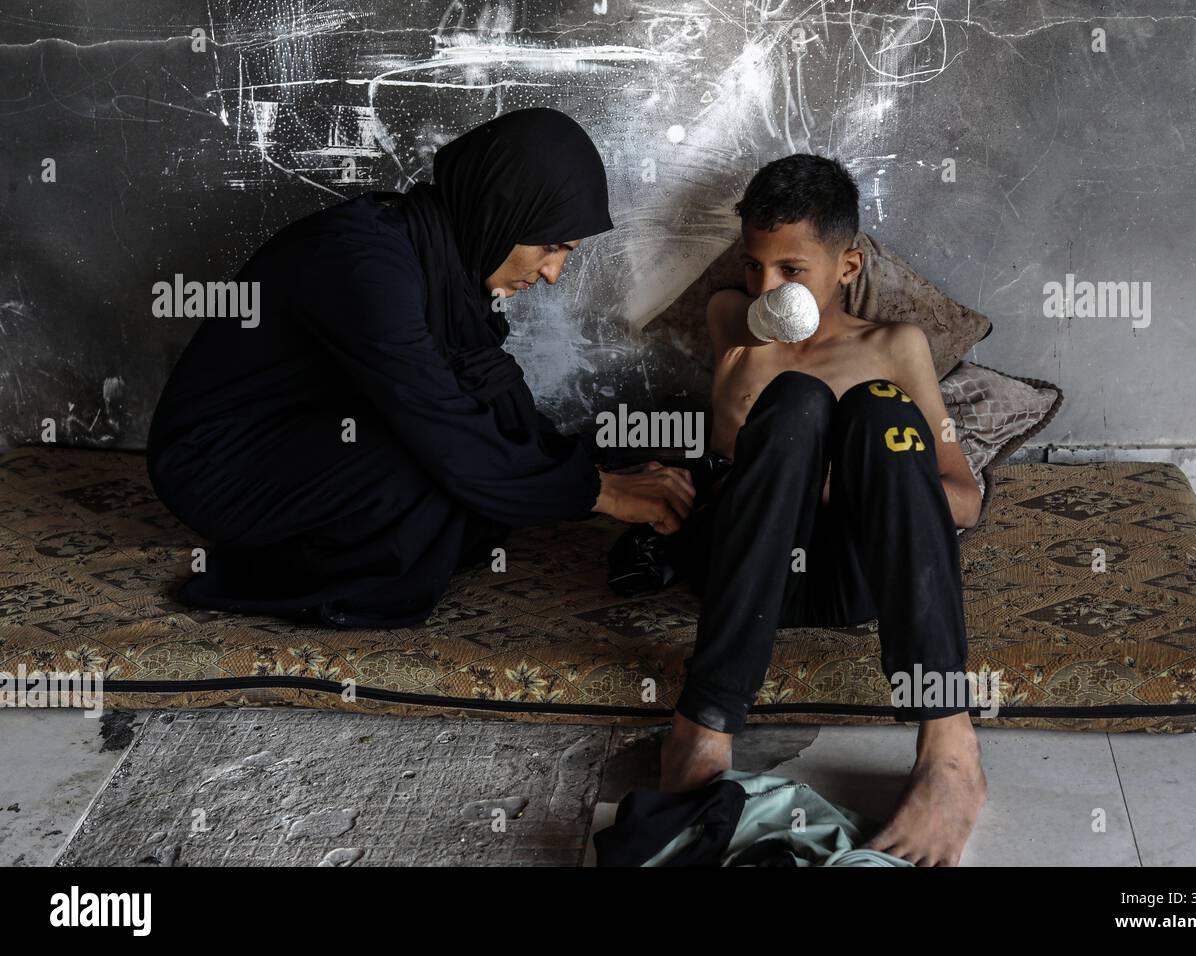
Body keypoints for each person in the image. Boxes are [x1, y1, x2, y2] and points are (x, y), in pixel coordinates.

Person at [146, 107, 694, 629]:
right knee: (436, 469)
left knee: (479, 477)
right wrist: (601, 492)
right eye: (549, 245)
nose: (553, 273)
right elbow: (442, 422)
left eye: (566, 251)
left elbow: (481, 400)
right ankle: (279, 567)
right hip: (219, 465)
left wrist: (581, 472)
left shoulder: (442, 256)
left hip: (313, 433)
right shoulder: (364, 263)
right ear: (501, 208)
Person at [659, 154, 987, 866]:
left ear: (847, 265)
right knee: (799, 401)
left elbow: (962, 497)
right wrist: (750, 366)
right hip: (748, 571)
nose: (765, 286)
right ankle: (705, 724)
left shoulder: (895, 347)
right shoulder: (731, 321)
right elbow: (725, 453)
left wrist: (871, 485)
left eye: (791, 270)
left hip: (849, 573)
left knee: (875, 410)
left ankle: (950, 750)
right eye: (754, 266)